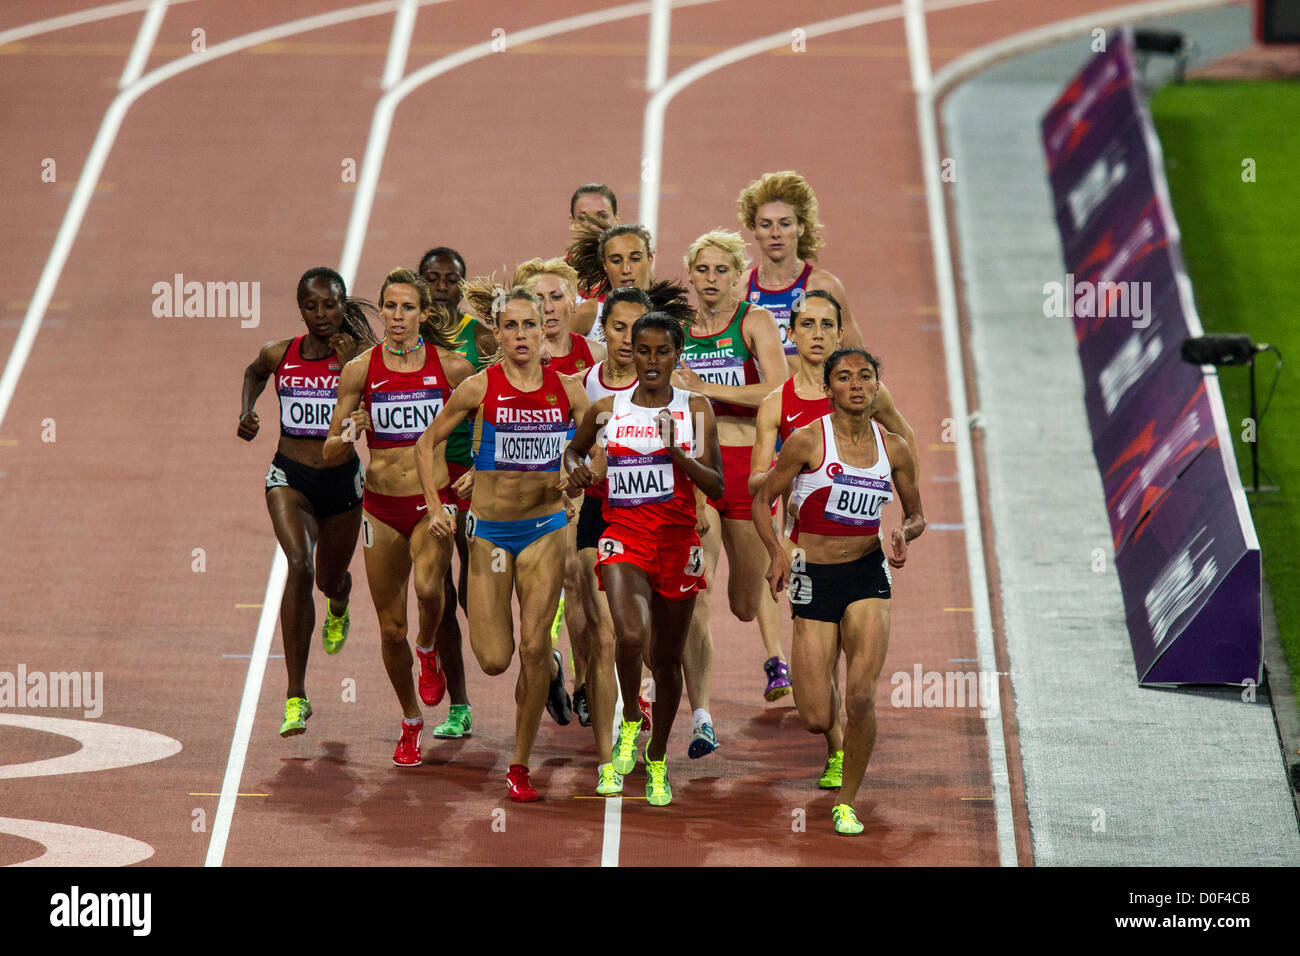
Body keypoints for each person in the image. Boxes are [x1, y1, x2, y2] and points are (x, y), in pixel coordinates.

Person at [416, 284, 590, 802]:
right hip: (490, 532)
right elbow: (429, 443)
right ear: (498, 332)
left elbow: (597, 448)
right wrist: (435, 504)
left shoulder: (568, 390)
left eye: (529, 326)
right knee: (494, 657)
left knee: (534, 646)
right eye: (510, 326)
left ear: (544, 333)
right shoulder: (478, 387)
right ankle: (553, 669)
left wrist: (578, 473)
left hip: (545, 530)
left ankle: (519, 763)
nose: (519, 335)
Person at [747, 290, 918, 788]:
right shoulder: (783, 409)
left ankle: (847, 786)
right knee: (815, 712)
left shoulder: (873, 398)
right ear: (793, 334)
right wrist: (799, 477)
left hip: (866, 566)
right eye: (808, 325)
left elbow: (906, 463)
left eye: (827, 325)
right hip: (807, 561)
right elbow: (760, 486)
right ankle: (831, 734)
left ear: (839, 333)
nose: (817, 334)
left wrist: (901, 523)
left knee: (861, 690)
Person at [563, 311, 724, 805]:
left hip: (677, 542)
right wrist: (580, 473)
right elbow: (572, 453)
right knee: (629, 635)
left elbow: (717, 484)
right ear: (630, 351)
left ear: (678, 356)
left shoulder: (695, 408)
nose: (652, 360)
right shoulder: (607, 409)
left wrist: (681, 457)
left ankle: (657, 757)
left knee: (669, 659)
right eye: (644, 350)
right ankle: (631, 721)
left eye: (662, 351)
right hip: (623, 537)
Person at [324, 268, 472, 766]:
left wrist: (476, 472)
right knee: (390, 631)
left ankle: (429, 648)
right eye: (391, 306)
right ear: (382, 310)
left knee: (431, 592)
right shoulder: (361, 371)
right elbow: (328, 448)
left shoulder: (450, 368)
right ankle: (410, 721)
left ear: (424, 314)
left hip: (432, 502)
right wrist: (350, 432)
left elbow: (485, 420)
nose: (398, 316)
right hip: (381, 508)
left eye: (409, 308)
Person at [237, 267, 377, 737]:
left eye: (331, 305)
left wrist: (356, 388)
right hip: (289, 477)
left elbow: (380, 409)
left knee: (329, 578)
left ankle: (340, 600)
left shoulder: (361, 357)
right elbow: (253, 374)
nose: (322, 315)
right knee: (299, 564)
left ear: (343, 306)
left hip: (341, 483)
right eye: (312, 306)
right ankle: (296, 695)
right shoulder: (280, 353)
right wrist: (248, 411)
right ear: (300, 308)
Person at [671, 230, 788, 747]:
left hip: (745, 467)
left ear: (739, 275)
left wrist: (707, 389)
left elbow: (778, 389)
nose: (712, 280)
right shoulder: (677, 327)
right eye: (703, 270)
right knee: (698, 591)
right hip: (696, 466)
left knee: (744, 601)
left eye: (723, 271)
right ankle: (702, 716)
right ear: (690, 275)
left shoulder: (754, 322)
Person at [417, 245, 495, 739]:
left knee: (474, 588)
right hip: (425, 472)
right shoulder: (405, 334)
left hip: (470, 471)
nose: (442, 287)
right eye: (432, 279)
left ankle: (536, 658)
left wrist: (483, 465)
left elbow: (497, 396)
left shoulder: (480, 337)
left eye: (451, 280)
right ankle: (458, 703)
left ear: (464, 287)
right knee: (437, 588)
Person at [736, 171, 864, 364]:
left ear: (801, 227)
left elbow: (856, 359)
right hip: (757, 393)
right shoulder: (738, 288)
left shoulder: (824, 286)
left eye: (785, 224)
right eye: (765, 225)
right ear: (754, 230)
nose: (775, 233)